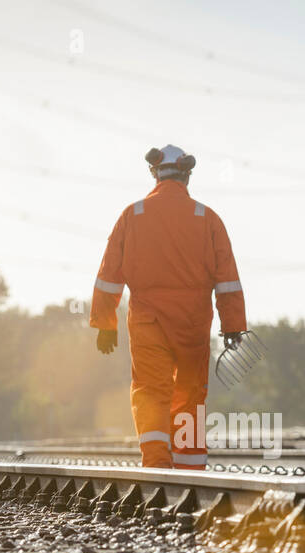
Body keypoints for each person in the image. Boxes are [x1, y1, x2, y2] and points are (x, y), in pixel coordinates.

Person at [90, 145, 246, 470]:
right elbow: (227, 278)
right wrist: (233, 325)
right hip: (192, 324)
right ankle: (191, 474)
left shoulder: (132, 215)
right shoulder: (208, 218)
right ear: (187, 174)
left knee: (150, 391)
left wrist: (105, 323)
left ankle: (157, 466)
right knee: (189, 395)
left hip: (148, 322)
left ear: (154, 172)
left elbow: (109, 274)